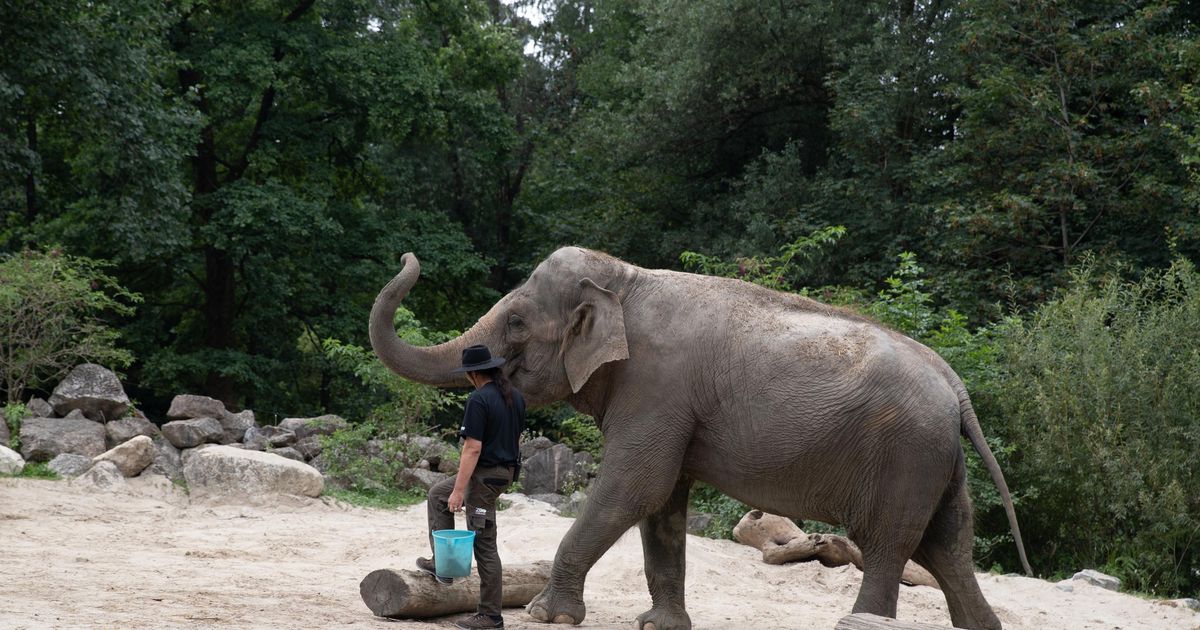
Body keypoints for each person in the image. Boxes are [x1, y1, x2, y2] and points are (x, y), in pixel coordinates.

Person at [417, 344, 525, 630]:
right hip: (502, 473)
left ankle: (491, 616)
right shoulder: (515, 396)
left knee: (484, 543)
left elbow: (472, 448)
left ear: (473, 373)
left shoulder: (478, 399)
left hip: (484, 477)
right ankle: (443, 564)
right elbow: (516, 440)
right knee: (437, 495)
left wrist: (459, 490)